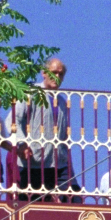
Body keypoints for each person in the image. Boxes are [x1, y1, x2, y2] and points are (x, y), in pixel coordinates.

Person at [13, 56, 77, 193]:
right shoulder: (31, 92)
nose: (57, 76)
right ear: (44, 73)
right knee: (36, 206)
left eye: (61, 74)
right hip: (34, 162)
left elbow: (64, 135)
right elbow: (13, 120)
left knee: (72, 198)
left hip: (58, 164)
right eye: (54, 72)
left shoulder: (61, 102)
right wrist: (22, 143)